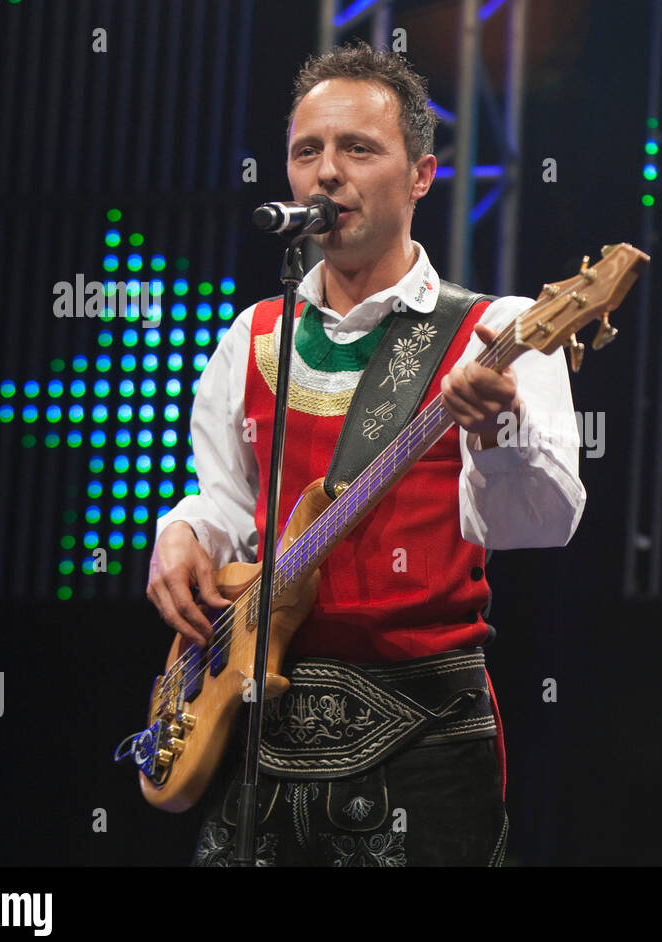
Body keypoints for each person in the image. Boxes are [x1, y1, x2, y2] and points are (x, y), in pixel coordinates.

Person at [145, 39, 585, 866]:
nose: (327, 172)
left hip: (423, 738)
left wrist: (489, 432)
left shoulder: (502, 331)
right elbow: (230, 508)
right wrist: (183, 535)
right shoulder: (254, 336)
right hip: (257, 729)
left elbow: (543, 526)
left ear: (421, 175)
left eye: (358, 148)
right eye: (307, 151)